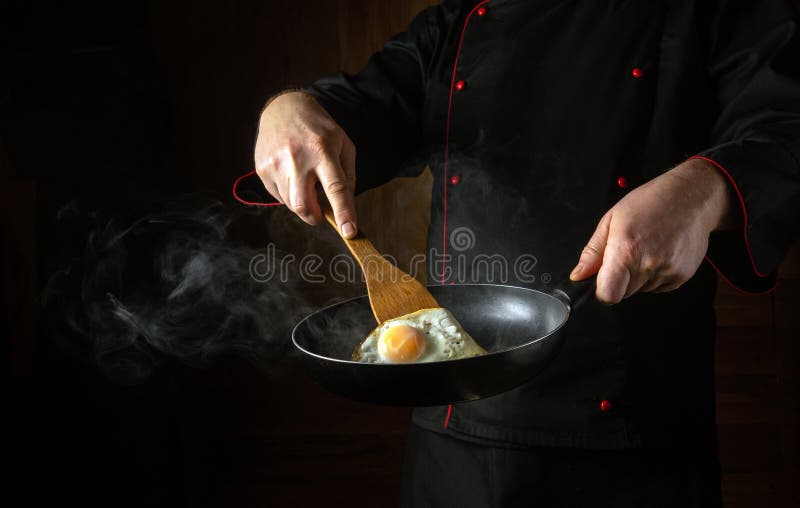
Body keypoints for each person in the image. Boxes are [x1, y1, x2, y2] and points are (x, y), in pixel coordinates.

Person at [252, 1, 800, 506]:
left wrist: (706, 191)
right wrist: (287, 110)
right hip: (459, 442)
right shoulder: (457, 22)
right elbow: (339, 120)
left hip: (640, 437)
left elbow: (786, 125)